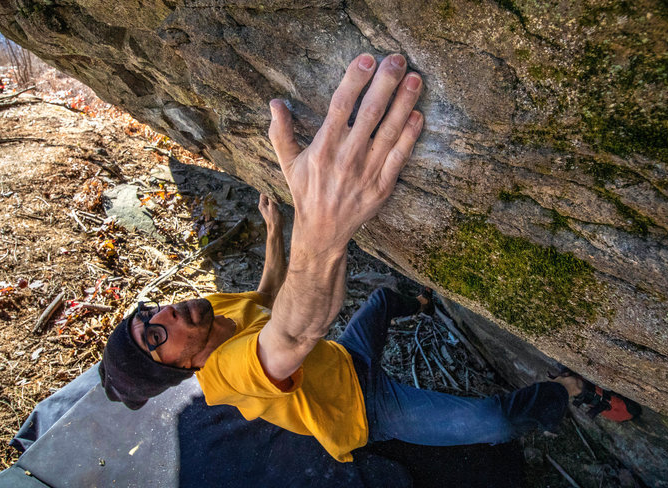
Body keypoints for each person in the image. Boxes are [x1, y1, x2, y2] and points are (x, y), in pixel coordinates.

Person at [99, 53, 589, 463]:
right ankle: (568, 390)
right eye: (156, 336)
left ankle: (420, 305)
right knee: (493, 421)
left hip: (342, 359)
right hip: (365, 410)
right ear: (183, 367)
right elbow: (292, 331)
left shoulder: (209, 315)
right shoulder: (225, 375)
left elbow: (266, 298)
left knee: (380, 301)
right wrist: (319, 221)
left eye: (148, 314)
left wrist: (277, 230)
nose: (164, 314)